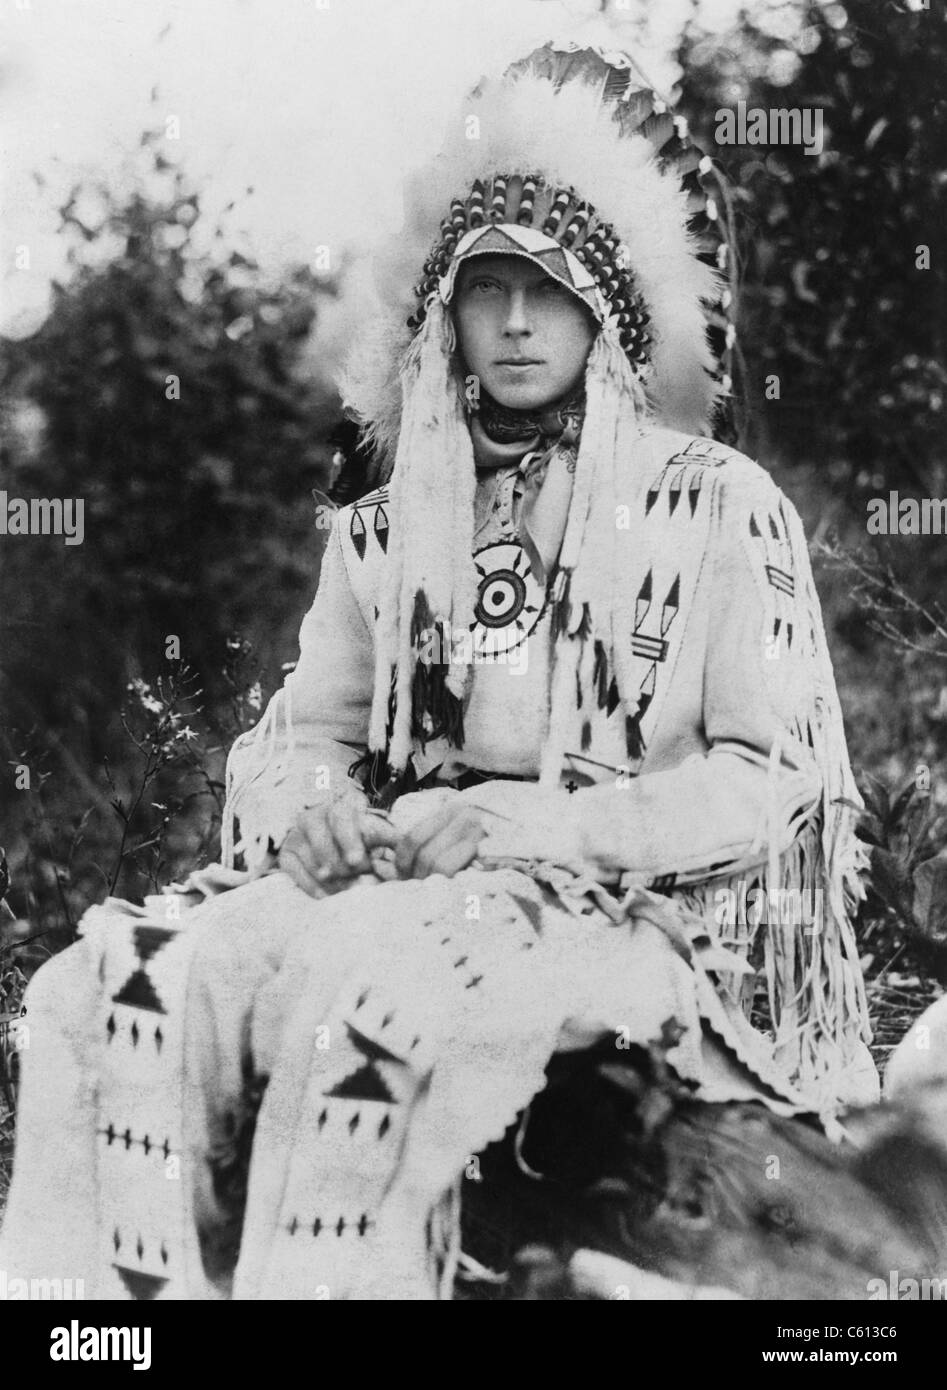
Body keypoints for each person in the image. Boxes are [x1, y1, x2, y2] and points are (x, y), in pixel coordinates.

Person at [0, 44, 878, 1302]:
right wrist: (314, 820)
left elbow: (764, 778)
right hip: (398, 878)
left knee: (363, 1007)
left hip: (624, 906)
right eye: (486, 292)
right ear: (447, 318)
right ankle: (109, 1322)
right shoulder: (386, 523)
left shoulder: (719, 508)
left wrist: (542, 824)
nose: (515, 324)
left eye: (547, 291)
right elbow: (308, 731)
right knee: (106, 982)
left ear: (605, 309)